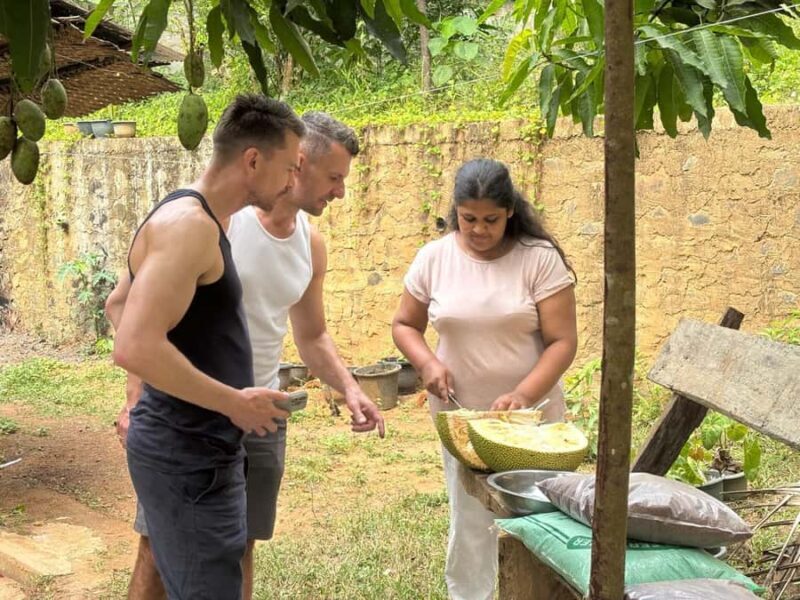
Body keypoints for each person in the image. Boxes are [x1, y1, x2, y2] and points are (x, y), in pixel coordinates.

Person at [107, 111, 385, 599]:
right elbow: (133, 324)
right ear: (287, 163)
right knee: (159, 553)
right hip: (189, 422)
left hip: (256, 417)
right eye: (333, 177)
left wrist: (349, 387)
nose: (340, 192)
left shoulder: (307, 244)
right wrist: (141, 398)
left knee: (235, 548)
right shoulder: (210, 222)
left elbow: (312, 335)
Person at [106, 93, 305, 600]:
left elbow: (118, 304)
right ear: (253, 160)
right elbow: (133, 344)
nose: (292, 183)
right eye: (289, 168)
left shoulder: (195, 217)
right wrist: (232, 402)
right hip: (188, 455)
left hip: (193, 447)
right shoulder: (190, 227)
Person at [391, 158, 578, 600]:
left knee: (538, 515)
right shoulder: (435, 258)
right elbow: (404, 325)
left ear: (510, 211)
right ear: (455, 211)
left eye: (490, 220)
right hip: (463, 418)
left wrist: (523, 395)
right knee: (471, 516)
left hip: (532, 420)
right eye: (468, 218)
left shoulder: (538, 258)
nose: (478, 229)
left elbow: (563, 342)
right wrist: (427, 363)